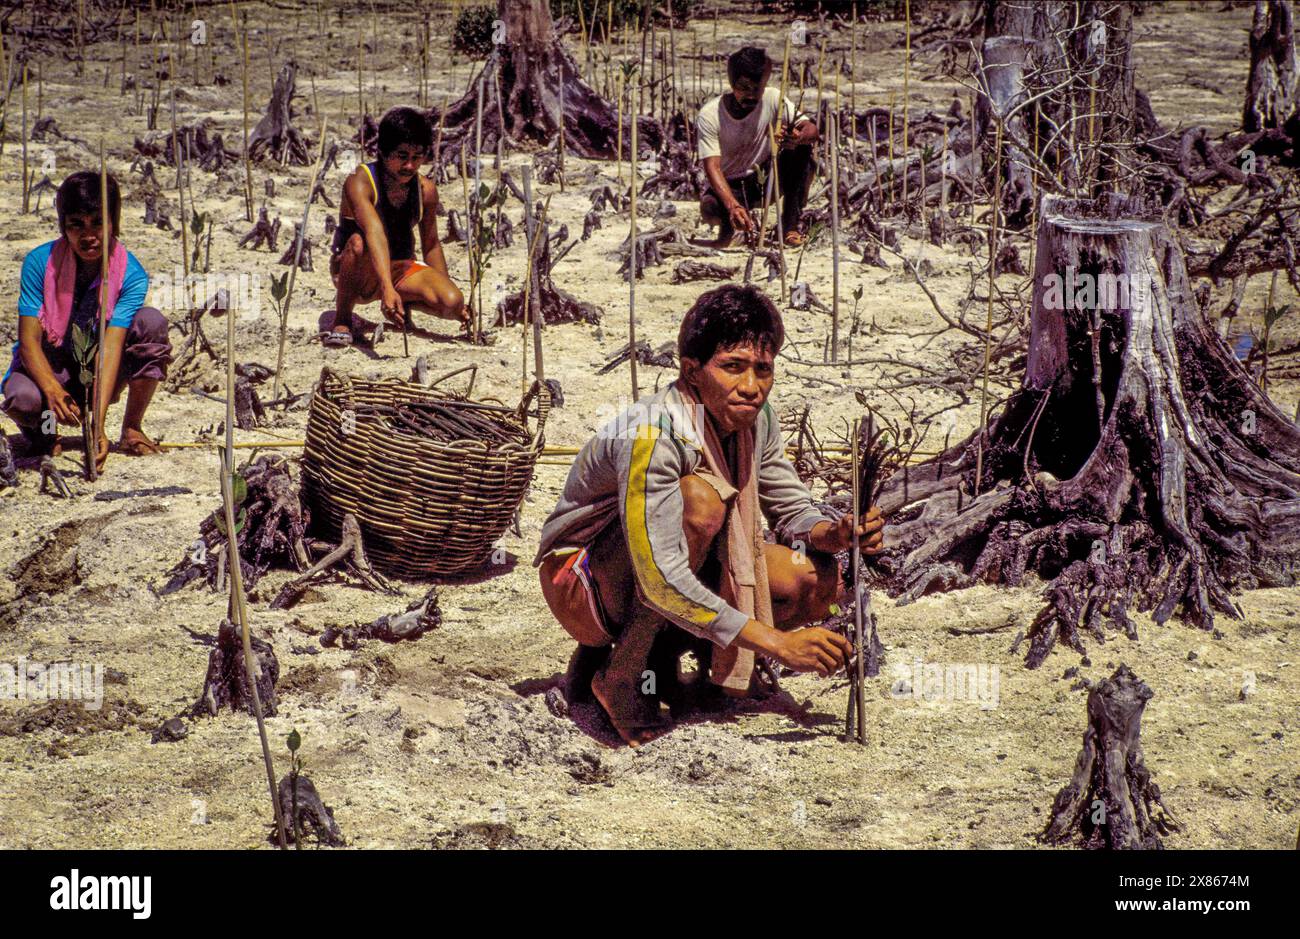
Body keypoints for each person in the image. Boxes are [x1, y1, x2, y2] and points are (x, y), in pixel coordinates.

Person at [535, 285, 884, 746]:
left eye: (763, 369)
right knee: (701, 502)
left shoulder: (756, 419)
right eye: (733, 367)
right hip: (583, 582)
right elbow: (658, 575)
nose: (751, 387)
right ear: (691, 370)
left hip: (664, 570)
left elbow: (791, 506)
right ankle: (622, 673)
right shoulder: (653, 435)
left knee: (813, 578)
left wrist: (835, 534)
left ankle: (681, 665)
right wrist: (775, 643)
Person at [2, 171, 170, 472]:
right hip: (49, 369)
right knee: (22, 399)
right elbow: (28, 342)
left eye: (98, 223)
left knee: (151, 321)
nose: (88, 235)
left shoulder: (131, 274)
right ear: (63, 227)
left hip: (98, 370)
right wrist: (54, 391)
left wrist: (99, 424)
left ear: (113, 223)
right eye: (76, 225)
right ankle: (45, 433)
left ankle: (132, 428)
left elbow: (113, 344)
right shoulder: (40, 263)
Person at [326, 106, 467, 346]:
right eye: (402, 156)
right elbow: (375, 232)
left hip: (400, 268)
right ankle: (342, 320)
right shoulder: (360, 181)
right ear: (382, 152)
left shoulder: (426, 190)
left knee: (452, 302)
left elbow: (431, 244)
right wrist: (386, 287)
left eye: (417, 157)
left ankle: (402, 305)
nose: (410, 166)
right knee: (358, 243)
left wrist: (450, 294)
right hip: (358, 270)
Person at [696, 46, 818, 249]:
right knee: (711, 207)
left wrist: (798, 137)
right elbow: (712, 167)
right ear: (731, 83)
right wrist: (732, 205)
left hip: (764, 178)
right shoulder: (710, 114)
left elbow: (812, 129)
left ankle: (790, 226)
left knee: (802, 151)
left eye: (757, 89)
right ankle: (729, 230)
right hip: (731, 185)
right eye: (743, 88)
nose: (751, 95)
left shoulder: (772, 98)